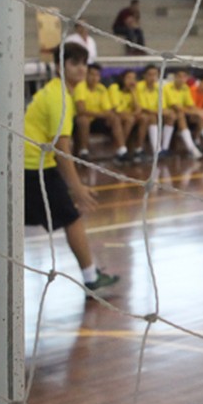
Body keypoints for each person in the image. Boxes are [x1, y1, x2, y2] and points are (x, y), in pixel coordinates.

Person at [24, 42, 120, 296]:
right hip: (34, 167)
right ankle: (90, 279)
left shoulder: (61, 92)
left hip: (30, 165)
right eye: (73, 63)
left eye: (83, 64)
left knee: (21, 221)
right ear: (59, 67)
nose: (80, 69)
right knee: (73, 219)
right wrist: (76, 187)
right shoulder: (59, 98)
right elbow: (62, 146)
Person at [73, 63, 130, 161]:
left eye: (97, 75)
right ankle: (84, 152)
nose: (94, 78)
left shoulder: (101, 88)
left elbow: (107, 110)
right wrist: (102, 114)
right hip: (81, 119)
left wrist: (106, 115)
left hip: (97, 119)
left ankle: (122, 150)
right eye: (92, 74)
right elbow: (81, 110)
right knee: (83, 120)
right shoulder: (80, 87)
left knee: (114, 118)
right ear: (86, 75)